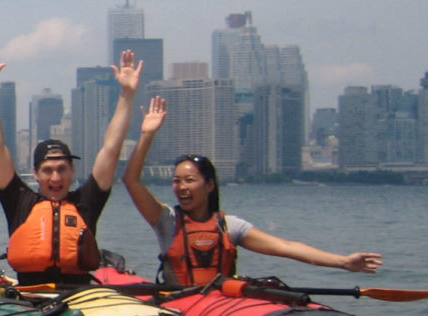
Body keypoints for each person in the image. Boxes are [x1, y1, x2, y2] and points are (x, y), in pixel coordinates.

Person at [120, 95, 383, 286]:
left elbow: (286, 247)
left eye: (189, 180)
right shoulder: (166, 221)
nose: (181, 187)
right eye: (177, 181)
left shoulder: (230, 227)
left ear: (210, 185)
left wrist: (343, 262)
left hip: (220, 308)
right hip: (178, 309)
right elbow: (131, 180)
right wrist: (147, 135)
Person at [0, 46, 141, 287]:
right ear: (36, 174)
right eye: (47, 170)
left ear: (72, 172)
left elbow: (111, 148)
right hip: (31, 293)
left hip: (79, 295)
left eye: (62, 169)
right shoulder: (19, 201)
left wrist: (126, 95)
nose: (55, 177)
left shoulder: (86, 202)